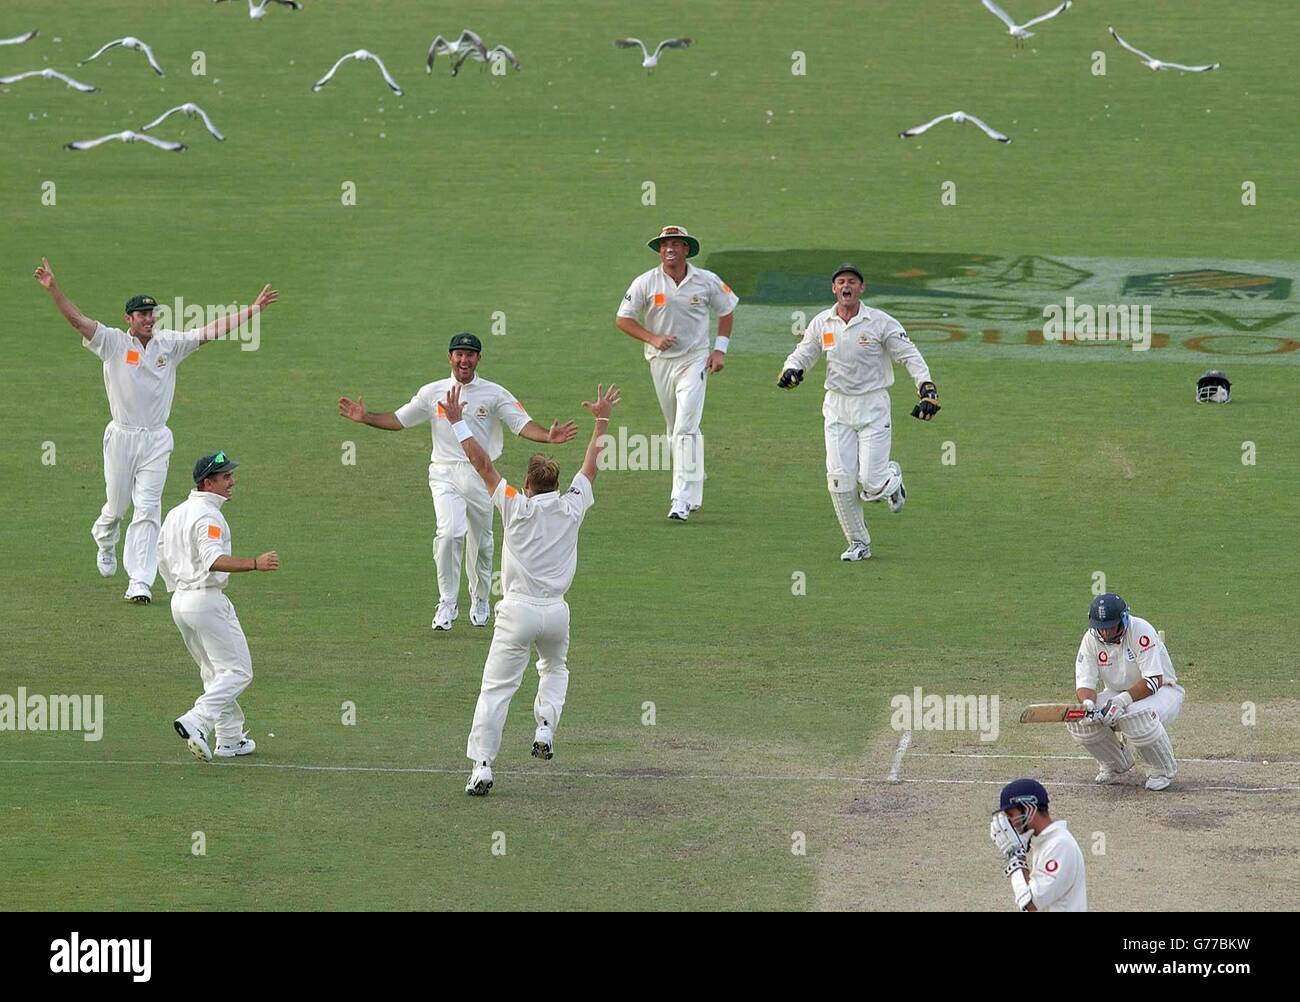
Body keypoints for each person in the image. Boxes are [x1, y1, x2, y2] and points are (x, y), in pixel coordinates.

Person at [34, 257, 277, 603]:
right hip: (121, 436)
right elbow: (77, 320)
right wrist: (54, 288)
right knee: (117, 507)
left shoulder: (170, 345)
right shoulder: (113, 343)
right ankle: (105, 536)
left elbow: (210, 330)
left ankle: (139, 581)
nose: (149, 319)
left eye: (152, 314)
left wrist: (252, 310)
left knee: (147, 508)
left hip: (157, 439)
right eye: (142, 315)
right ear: (129, 319)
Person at [445, 381, 620, 796]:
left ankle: (483, 767)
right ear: (557, 486)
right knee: (555, 669)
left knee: (496, 690)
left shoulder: (516, 506)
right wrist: (602, 417)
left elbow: (483, 464)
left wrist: (456, 422)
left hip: (517, 612)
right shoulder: (574, 503)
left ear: (527, 486)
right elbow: (592, 463)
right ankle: (544, 728)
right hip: (556, 613)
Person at [338, 332, 577, 630]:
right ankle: (447, 601)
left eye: (470, 354)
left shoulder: (493, 393)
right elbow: (400, 419)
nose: (464, 359)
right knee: (450, 532)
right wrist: (366, 417)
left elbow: (521, 423)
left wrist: (547, 436)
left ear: (479, 358)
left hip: (481, 474)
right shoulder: (432, 392)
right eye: (459, 354)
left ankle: (479, 598)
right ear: (449, 357)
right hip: (444, 471)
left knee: (482, 540)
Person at [777, 263, 939, 560]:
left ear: (861, 288)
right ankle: (858, 543)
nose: (846, 286)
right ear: (834, 289)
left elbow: (909, 354)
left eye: (852, 281)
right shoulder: (822, 322)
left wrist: (926, 386)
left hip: (873, 406)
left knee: (872, 483)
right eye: (840, 282)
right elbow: (804, 353)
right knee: (839, 480)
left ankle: (892, 479)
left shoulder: (879, 322)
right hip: (837, 407)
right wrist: (792, 370)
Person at [160, 452, 279, 761]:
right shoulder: (208, 516)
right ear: (207, 482)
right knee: (239, 671)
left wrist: (180, 586)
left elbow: (161, 556)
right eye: (225, 477)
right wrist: (255, 564)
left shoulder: (176, 513)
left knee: (214, 671)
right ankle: (197, 719)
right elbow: (213, 560)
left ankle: (230, 739)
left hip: (180, 602)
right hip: (205, 601)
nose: (232, 481)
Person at [615, 225, 738, 521]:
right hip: (660, 362)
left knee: (685, 428)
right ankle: (692, 476)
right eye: (665, 244)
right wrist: (652, 339)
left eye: (676, 244)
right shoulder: (646, 282)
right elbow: (623, 319)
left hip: (694, 360)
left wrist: (719, 350)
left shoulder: (705, 280)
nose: (669, 248)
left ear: (686, 249)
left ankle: (680, 499)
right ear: (660, 250)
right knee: (675, 431)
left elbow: (727, 309)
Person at [1066, 593, 1184, 791]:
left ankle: (1162, 770)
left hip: (1163, 692)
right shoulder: (1090, 639)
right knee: (1080, 719)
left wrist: (1122, 701)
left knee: (1136, 716)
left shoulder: (1141, 630)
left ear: (1123, 619)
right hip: (1116, 693)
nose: (1105, 632)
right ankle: (1115, 763)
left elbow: (1154, 679)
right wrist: (1088, 705)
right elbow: (1085, 683)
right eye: (1100, 628)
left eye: (1110, 626)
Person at [989, 779, 1087, 912]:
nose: (1010, 824)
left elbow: (1030, 905)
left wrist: (1015, 857)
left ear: (1029, 809)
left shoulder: (1060, 846)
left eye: (1011, 815)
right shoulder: (1045, 843)